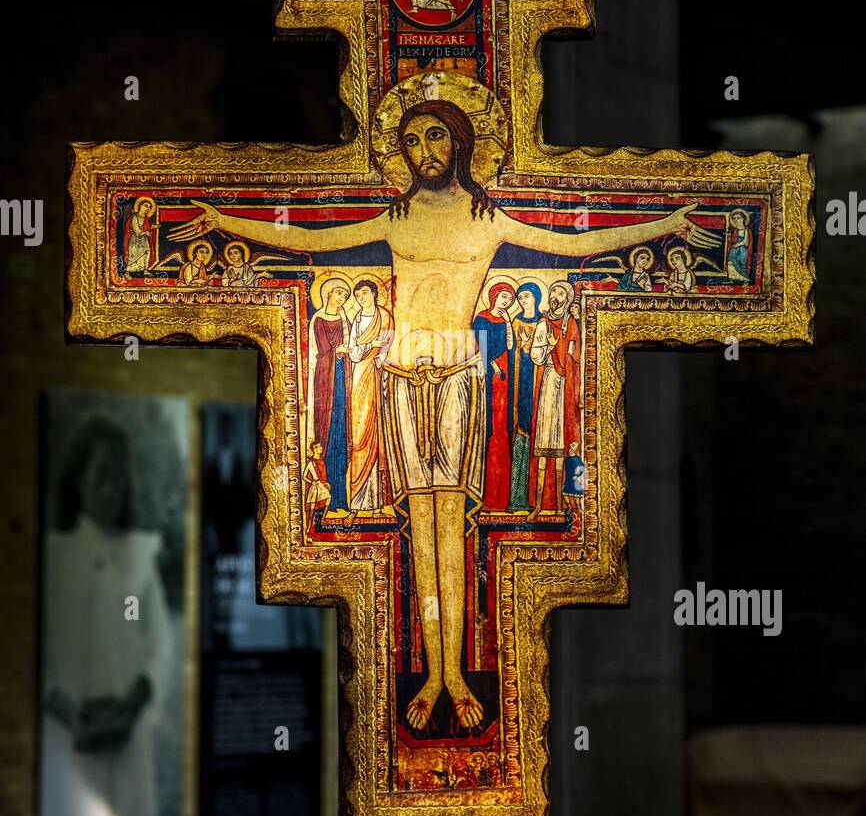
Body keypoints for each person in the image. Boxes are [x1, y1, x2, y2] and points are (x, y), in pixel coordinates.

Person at [171, 95, 719, 733]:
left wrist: (665, 224)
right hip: (400, 376)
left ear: (459, 142)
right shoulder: (394, 219)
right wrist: (226, 220)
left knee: (450, 529)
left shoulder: (489, 221)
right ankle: (432, 673)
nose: (423, 152)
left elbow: (576, 243)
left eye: (434, 137)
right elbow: (308, 239)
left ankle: (452, 674)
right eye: (410, 143)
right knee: (421, 528)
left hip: (458, 377)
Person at [39, 416, 171, 816]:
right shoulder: (53, 556)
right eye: (101, 476)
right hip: (70, 746)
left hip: (128, 740)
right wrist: (73, 713)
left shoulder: (139, 559)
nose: (112, 489)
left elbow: (158, 647)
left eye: (120, 477)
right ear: (79, 482)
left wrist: (132, 701)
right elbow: (35, 651)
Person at [530, 280, 581, 516]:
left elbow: (574, 357)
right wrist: (550, 348)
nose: (555, 297)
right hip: (548, 381)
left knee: (561, 444)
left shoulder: (571, 324)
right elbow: (536, 356)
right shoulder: (544, 324)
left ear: (567, 298)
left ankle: (561, 505)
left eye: (560, 293)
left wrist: (559, 350)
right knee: (543, 442)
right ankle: (540, 504)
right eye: (553, 292)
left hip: (565, 385)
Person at [346, 279, 393, 513]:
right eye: (357, 294)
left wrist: (380, 356)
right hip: (361, 373)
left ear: (374, 293)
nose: (361, 297)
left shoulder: (384, 317)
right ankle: (358, 497)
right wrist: (368, 345)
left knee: (380, 428)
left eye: (364, 293)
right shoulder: (357, 320)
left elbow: (391, 344)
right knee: (360, 428)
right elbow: (353, 352)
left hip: (379, 372)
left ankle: (380, 500)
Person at [307, 277, 352, 513]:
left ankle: (341, 499)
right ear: (328, 295)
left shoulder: (346, 321)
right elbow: (323, 349)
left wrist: (346, 353)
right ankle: (327, 500)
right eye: (338, 294)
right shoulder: (319, 319)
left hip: (342, 379)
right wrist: (338, 351)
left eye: (345, 296)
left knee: (341, 438)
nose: (341, 299)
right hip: (326, 379)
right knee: (328, 434)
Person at [472, 281, 516, 509]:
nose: (506, 302)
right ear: (494, 297)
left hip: (505, 377)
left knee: (503, 426)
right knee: (489, 426)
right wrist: (493, 366)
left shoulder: (507, 320)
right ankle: (486, 495)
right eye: (503, 297)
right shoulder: (482, 318)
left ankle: (502, 497)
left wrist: (508, 323)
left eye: (510, 299)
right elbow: (478, 348)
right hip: (489, 376)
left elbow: (510, 347)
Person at [508, 282, 543, 511]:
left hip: (538, 383)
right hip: (520, 384)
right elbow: (511, 352)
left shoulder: (543, 322)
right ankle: (517, 498)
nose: (522, 301)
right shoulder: (516, 321)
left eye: (526, 296)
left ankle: (534, 498)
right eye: (520, 298)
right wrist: (520, 345)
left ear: (537, 298)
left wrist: (529, 345)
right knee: (520, 434)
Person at [303, 441, 331, 533]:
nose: (321, 448)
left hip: (321, 485)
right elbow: (304, 476)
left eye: (320, 447)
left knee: (329, 498)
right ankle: (308, 527)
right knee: (312, 508)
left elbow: (323, 475)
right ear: (314, 449)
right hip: (315, 486)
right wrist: (311, 482)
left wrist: (326, 483)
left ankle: (323, 519)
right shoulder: (311, 463)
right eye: (318, 447)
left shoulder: (321, 460)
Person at [124, 196, 157, 274]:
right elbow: (136, 230)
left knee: (146, 252)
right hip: (135, 239)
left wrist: (153, 227)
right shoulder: (134, 217)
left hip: (144, 239)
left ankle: (145, 270)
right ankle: (127, 272)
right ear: (139, 206)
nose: (148, 209)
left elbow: (146, 228)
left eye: (149, 207)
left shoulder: (145, 218)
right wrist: (145, 233)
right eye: (146, 206)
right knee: (134, 255)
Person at [727, 209, 751, 281]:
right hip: (734, 249)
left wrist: (738, 244)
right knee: (731, 262)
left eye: (738, 218)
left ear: (743, 219)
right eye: (734, 218)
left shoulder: (745, 230)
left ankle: (745, 280)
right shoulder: (735, 230)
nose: (736, 220)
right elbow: (732, 241)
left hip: (742, 250)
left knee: (742, 264)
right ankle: (731, 279)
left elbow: (746, 242)